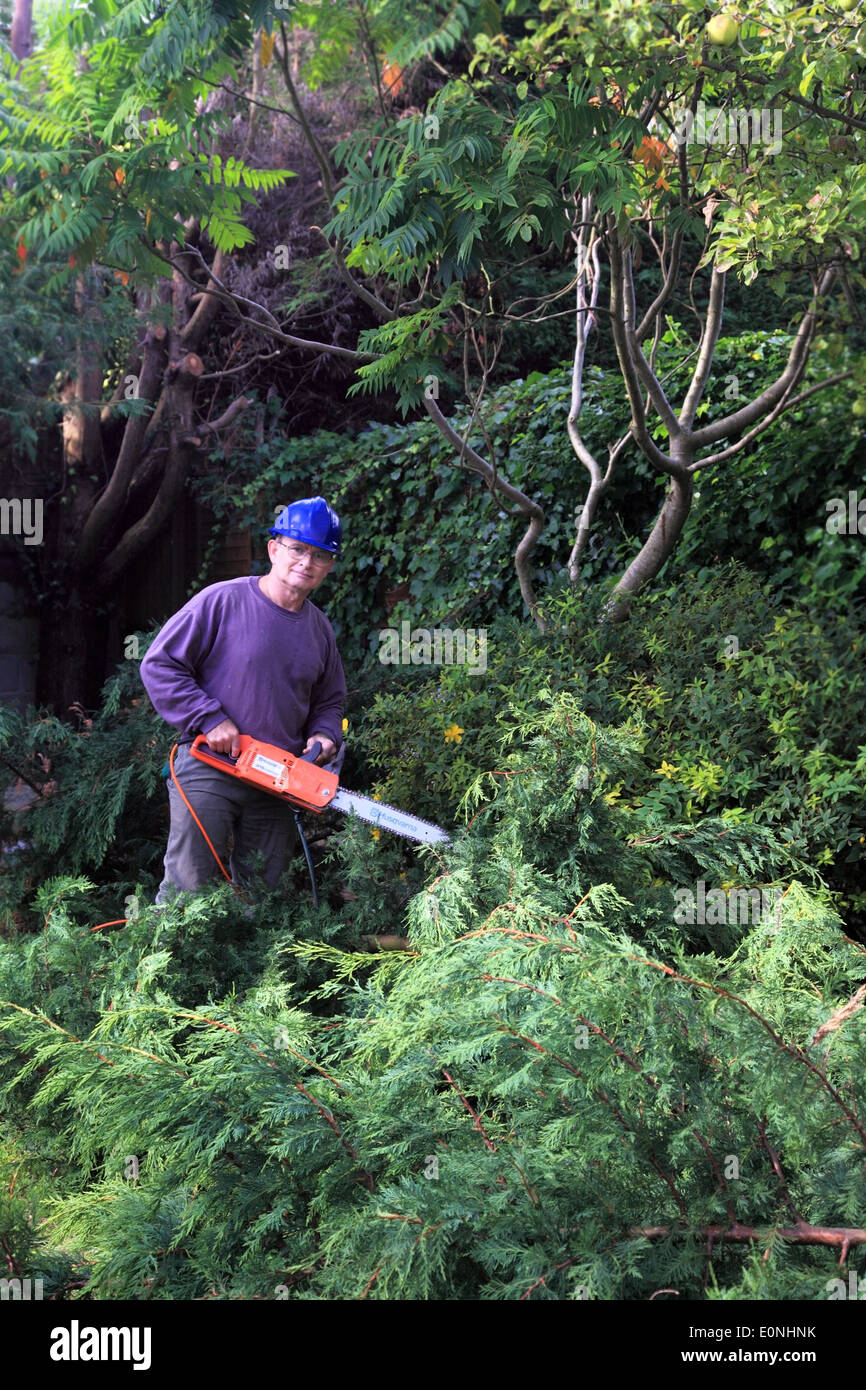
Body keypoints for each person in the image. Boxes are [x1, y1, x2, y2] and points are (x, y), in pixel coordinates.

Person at [140, 496, 345, 902]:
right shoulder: (223, 601)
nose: (307, 562)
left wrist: (324, 737)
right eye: (298, 548)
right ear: (273, 549)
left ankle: (246, 968)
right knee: (188, 891)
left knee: (262, 901)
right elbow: (159, 664)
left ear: (329, 566)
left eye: (320, 555)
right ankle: (168, 965)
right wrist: (209, 718)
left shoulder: (319, 630)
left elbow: (329, 703)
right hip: (210, 767)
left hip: (277, 779)